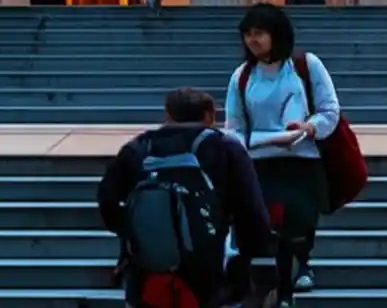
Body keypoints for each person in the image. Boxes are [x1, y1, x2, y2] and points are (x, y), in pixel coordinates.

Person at [98, 87, 272, 308]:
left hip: (147, 271)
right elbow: (251, 209)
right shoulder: (225, 148)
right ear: (209, 115)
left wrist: (135, 232)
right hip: (209, 271)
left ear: (168, 114)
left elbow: (107, 201)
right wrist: (251, 255)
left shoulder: (137, 149)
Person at [226, 3, 340, 303]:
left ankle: (301, 267)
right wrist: (244, 145)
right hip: (260, 162)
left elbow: (329, 109)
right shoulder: (242, 75)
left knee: (299, 222)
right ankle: (278, 286)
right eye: (248, 34)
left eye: (259, 33)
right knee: (268, 226)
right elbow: (234, 123)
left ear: (277, 34)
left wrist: (310, 127)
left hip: (301, 159)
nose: (253, 40)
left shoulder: (306, 65)